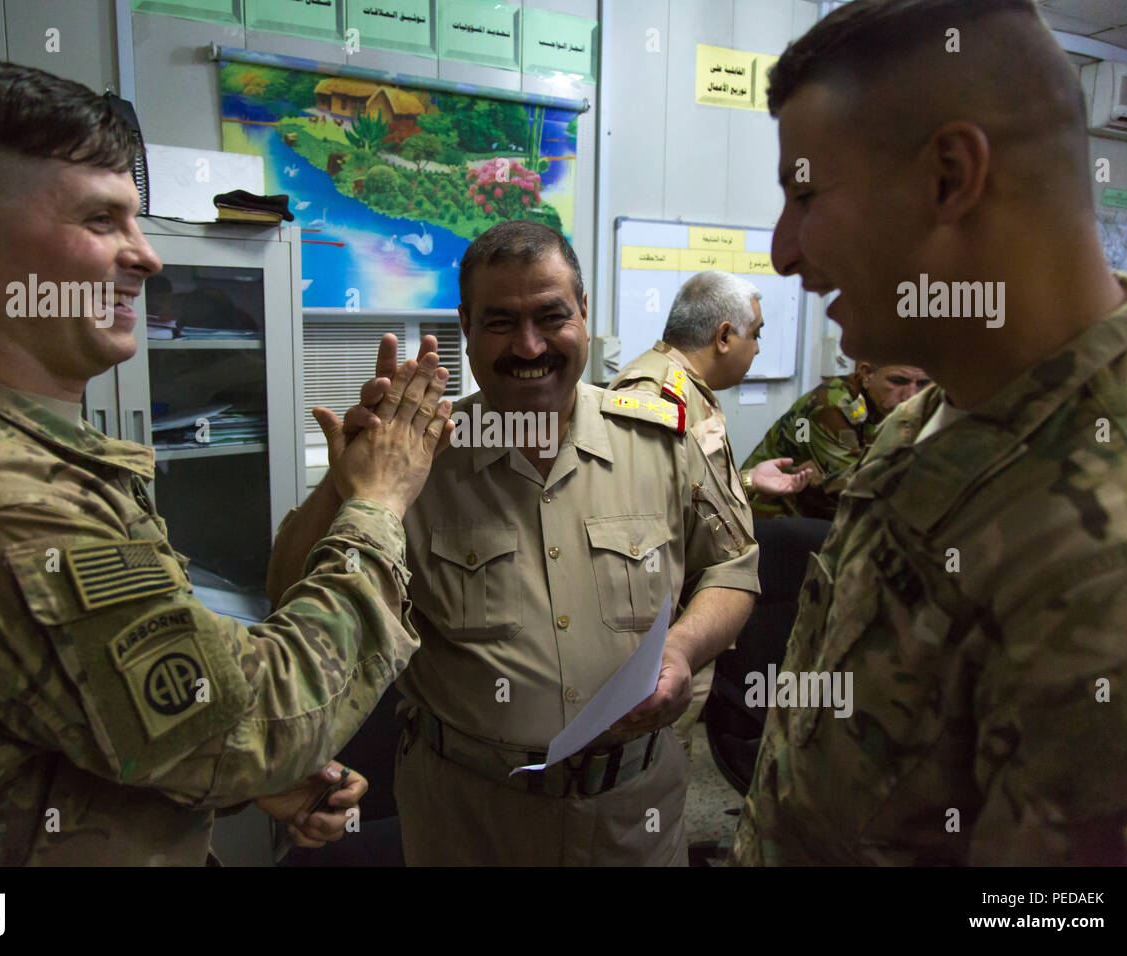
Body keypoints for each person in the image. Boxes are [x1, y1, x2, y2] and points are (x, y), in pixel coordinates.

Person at [0, 55, 454, 864]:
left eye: (136, 220)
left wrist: (227, 778)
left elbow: (77, 714)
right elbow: (257, 724)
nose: (148, 257)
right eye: (102, 221)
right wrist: (378, 504)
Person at [732, 0, 1127, 865]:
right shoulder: (928, 415)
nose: (782, 251)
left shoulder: (1121, 553)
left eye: (807, 195)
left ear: (950, 177)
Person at [269, 221, 760, 865]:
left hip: (632, 812)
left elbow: (733, 569)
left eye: (550, 315)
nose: (529, 345)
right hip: (468, 819)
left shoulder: (662, 440)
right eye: (500, 322)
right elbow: (287, 596)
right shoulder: (413, 458)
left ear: (583, 315)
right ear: (465, 328)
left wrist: (682, 648)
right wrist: (347, 486)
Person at [610, 270, 812, 754]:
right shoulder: (654, 394)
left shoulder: (684, 386)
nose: (758, 348)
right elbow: (631, 521)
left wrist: (744, 481)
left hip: (687, 629)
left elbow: (680, 493)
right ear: (724, 336)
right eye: (756, 333)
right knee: (653, 775)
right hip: (666, 636)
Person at [741, 362, 930, 519]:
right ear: (867, 375)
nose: (911, 395)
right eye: (897, 381)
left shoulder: (908, 407)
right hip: (775, 510)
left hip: (826, 507)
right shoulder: (832, 404)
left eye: (922, 383)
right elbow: (861, 485)